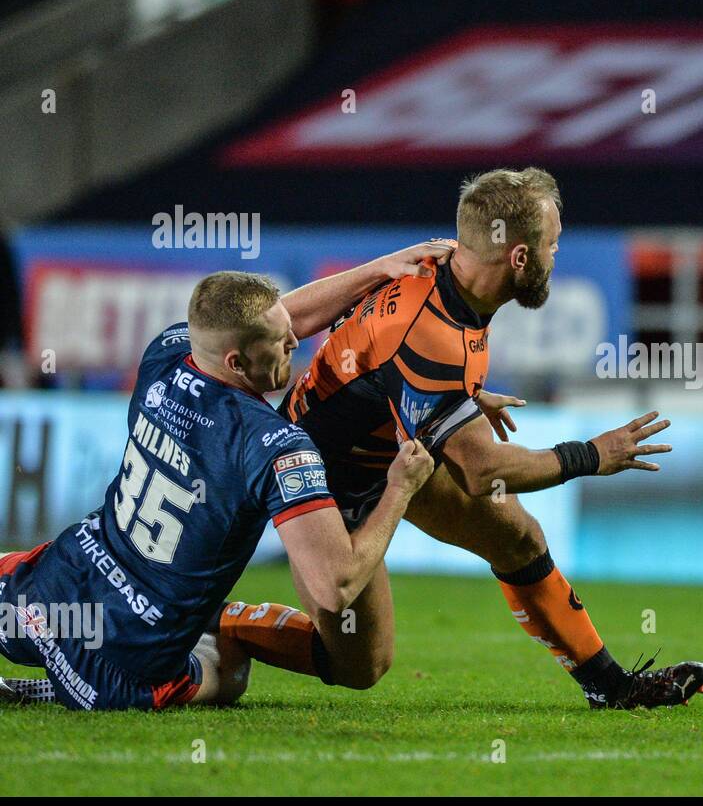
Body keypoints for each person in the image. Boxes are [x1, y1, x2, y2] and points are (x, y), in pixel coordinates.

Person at [279, 167, 703, 709]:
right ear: (520, 257)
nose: (556, 256)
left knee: (518, 537)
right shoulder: (433, 334)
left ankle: (613, 687)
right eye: (552, 245)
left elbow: (381, 360)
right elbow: (485, 472)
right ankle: (222, 627)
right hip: (320, 482)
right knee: (360, 664)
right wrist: (593, 454)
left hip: (390, 450)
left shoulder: (446, 272)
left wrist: (450, 401)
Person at [0, 248, 441, 709]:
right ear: (236, 362)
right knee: (229, 670)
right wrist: (399, 489)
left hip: (55, 590)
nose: (296, 339)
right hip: (127, 663)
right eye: (280, 339)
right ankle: (222, 626)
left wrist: (377, 269)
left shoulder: (166, 354)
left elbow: (269, 321)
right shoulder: (273, 444)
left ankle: (53, 677)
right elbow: (335, 588)